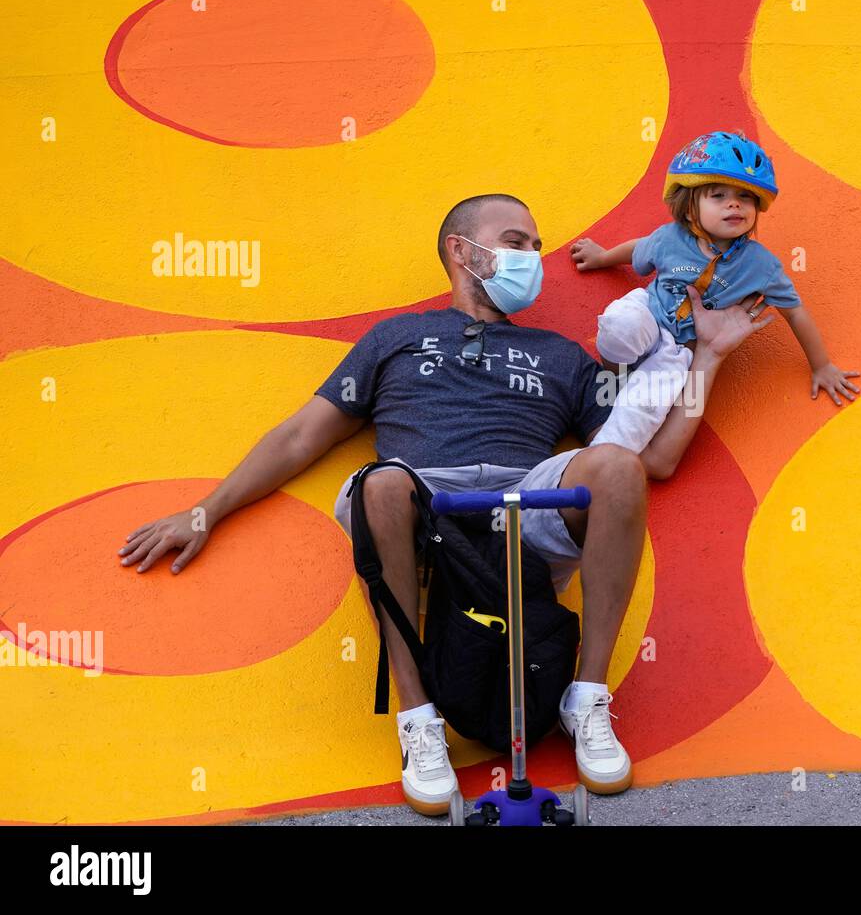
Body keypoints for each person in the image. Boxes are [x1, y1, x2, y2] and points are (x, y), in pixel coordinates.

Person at [114, 193, 775, 817]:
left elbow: (654, 460)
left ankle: (590, 700)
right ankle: (418, 720)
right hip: (424, 505)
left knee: (619, 466)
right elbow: (300, 435)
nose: (531, 258)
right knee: (379, 481)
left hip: (528, 507)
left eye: (537, 245)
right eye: (515, 242)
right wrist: (205, 511)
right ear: (463, 252)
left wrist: (709, 356)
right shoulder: (396, 337)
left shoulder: (559, 354)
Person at [570, 130, 860, 453]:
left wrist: (821, 365)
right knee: (619, 325)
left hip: (680, 352)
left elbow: (795, 311)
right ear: (690, 206)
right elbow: (640, 249)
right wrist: (602, 257)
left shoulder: (760, 266)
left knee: (640, 415)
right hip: (648, 313)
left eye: (745, 196)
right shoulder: (671, 238)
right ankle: (617, 375)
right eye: (718, 195)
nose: (734, 203)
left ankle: (604, 451)